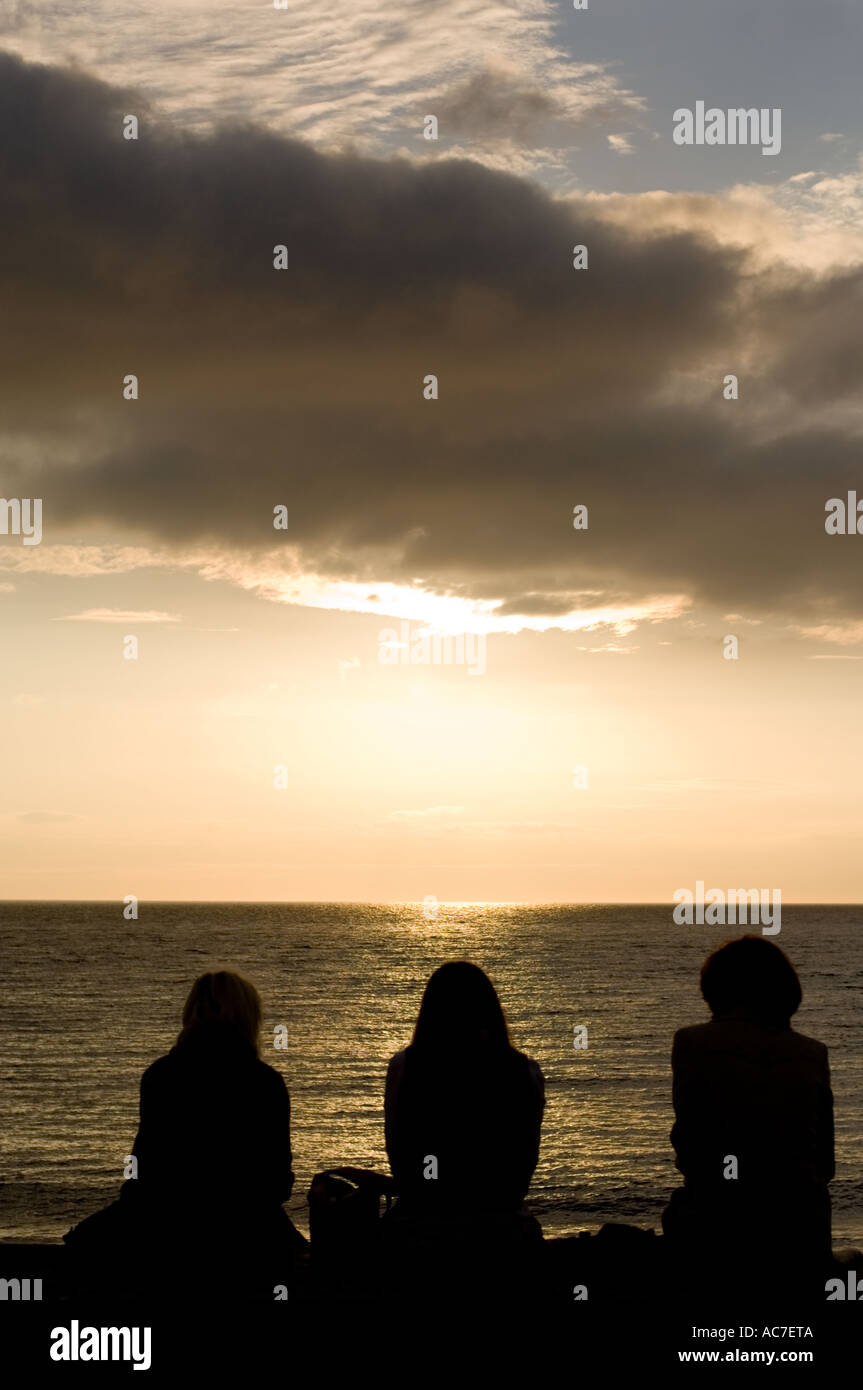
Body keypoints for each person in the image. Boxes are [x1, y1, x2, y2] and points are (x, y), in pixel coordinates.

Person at [66, 970, 305, 1299]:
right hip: (245, 1234)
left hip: (167, 1229)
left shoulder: (160, 1075)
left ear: (190, 1013)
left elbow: (142, 1168)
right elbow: (277, 1181)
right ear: (250, 1016)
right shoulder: (266, 1083)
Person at [662, 936, 834, 1295]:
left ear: (716, 991)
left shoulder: (691, 1043)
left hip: (716, 1226)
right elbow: (825, 1163)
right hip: (800, 1232)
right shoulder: (812, 1053)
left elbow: (690, 1143)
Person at [382, 962, 545, 1295]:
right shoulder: (525, 1071)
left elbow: (398, 1154)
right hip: (504, 1234)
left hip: (421, 1233)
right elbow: (525, 1162)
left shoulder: (404, 1067)